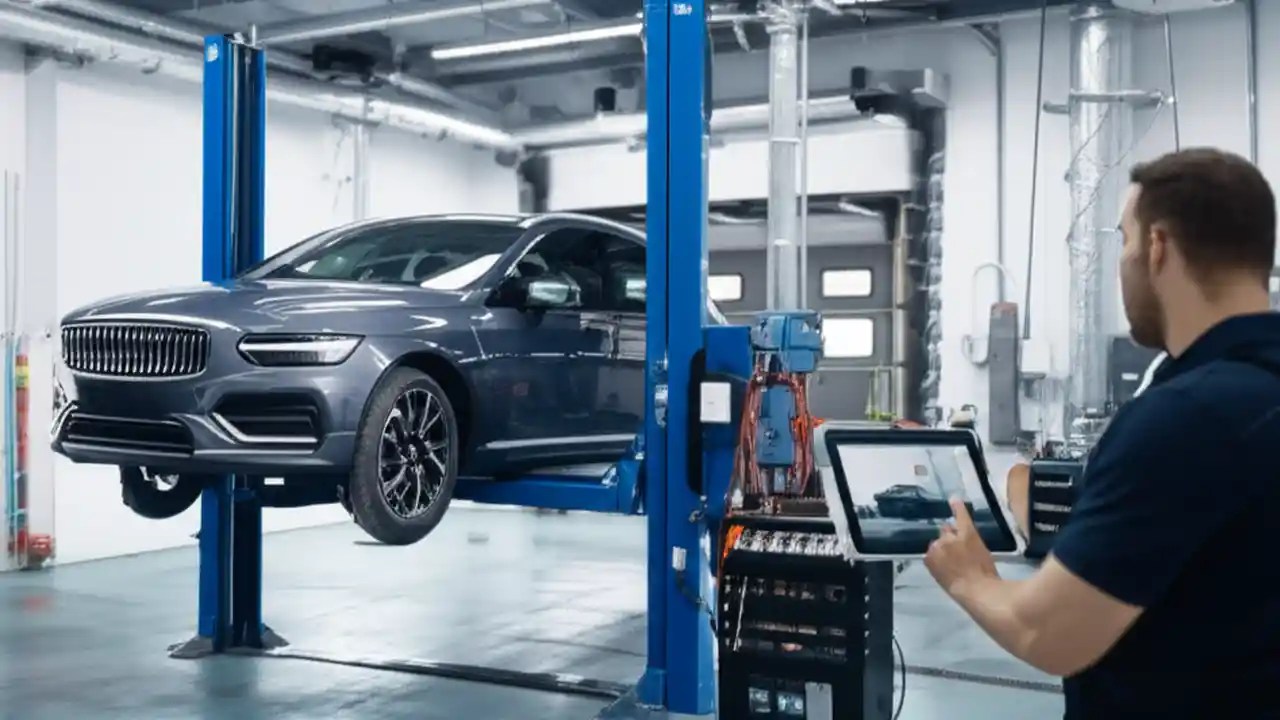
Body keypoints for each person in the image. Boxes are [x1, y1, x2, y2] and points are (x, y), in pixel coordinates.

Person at [923, 148, 1280, 718]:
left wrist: (970, 578)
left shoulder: (1187, 417)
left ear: (1158, 247)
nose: (1124, 261)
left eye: (1125, 240)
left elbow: (1048, 634)